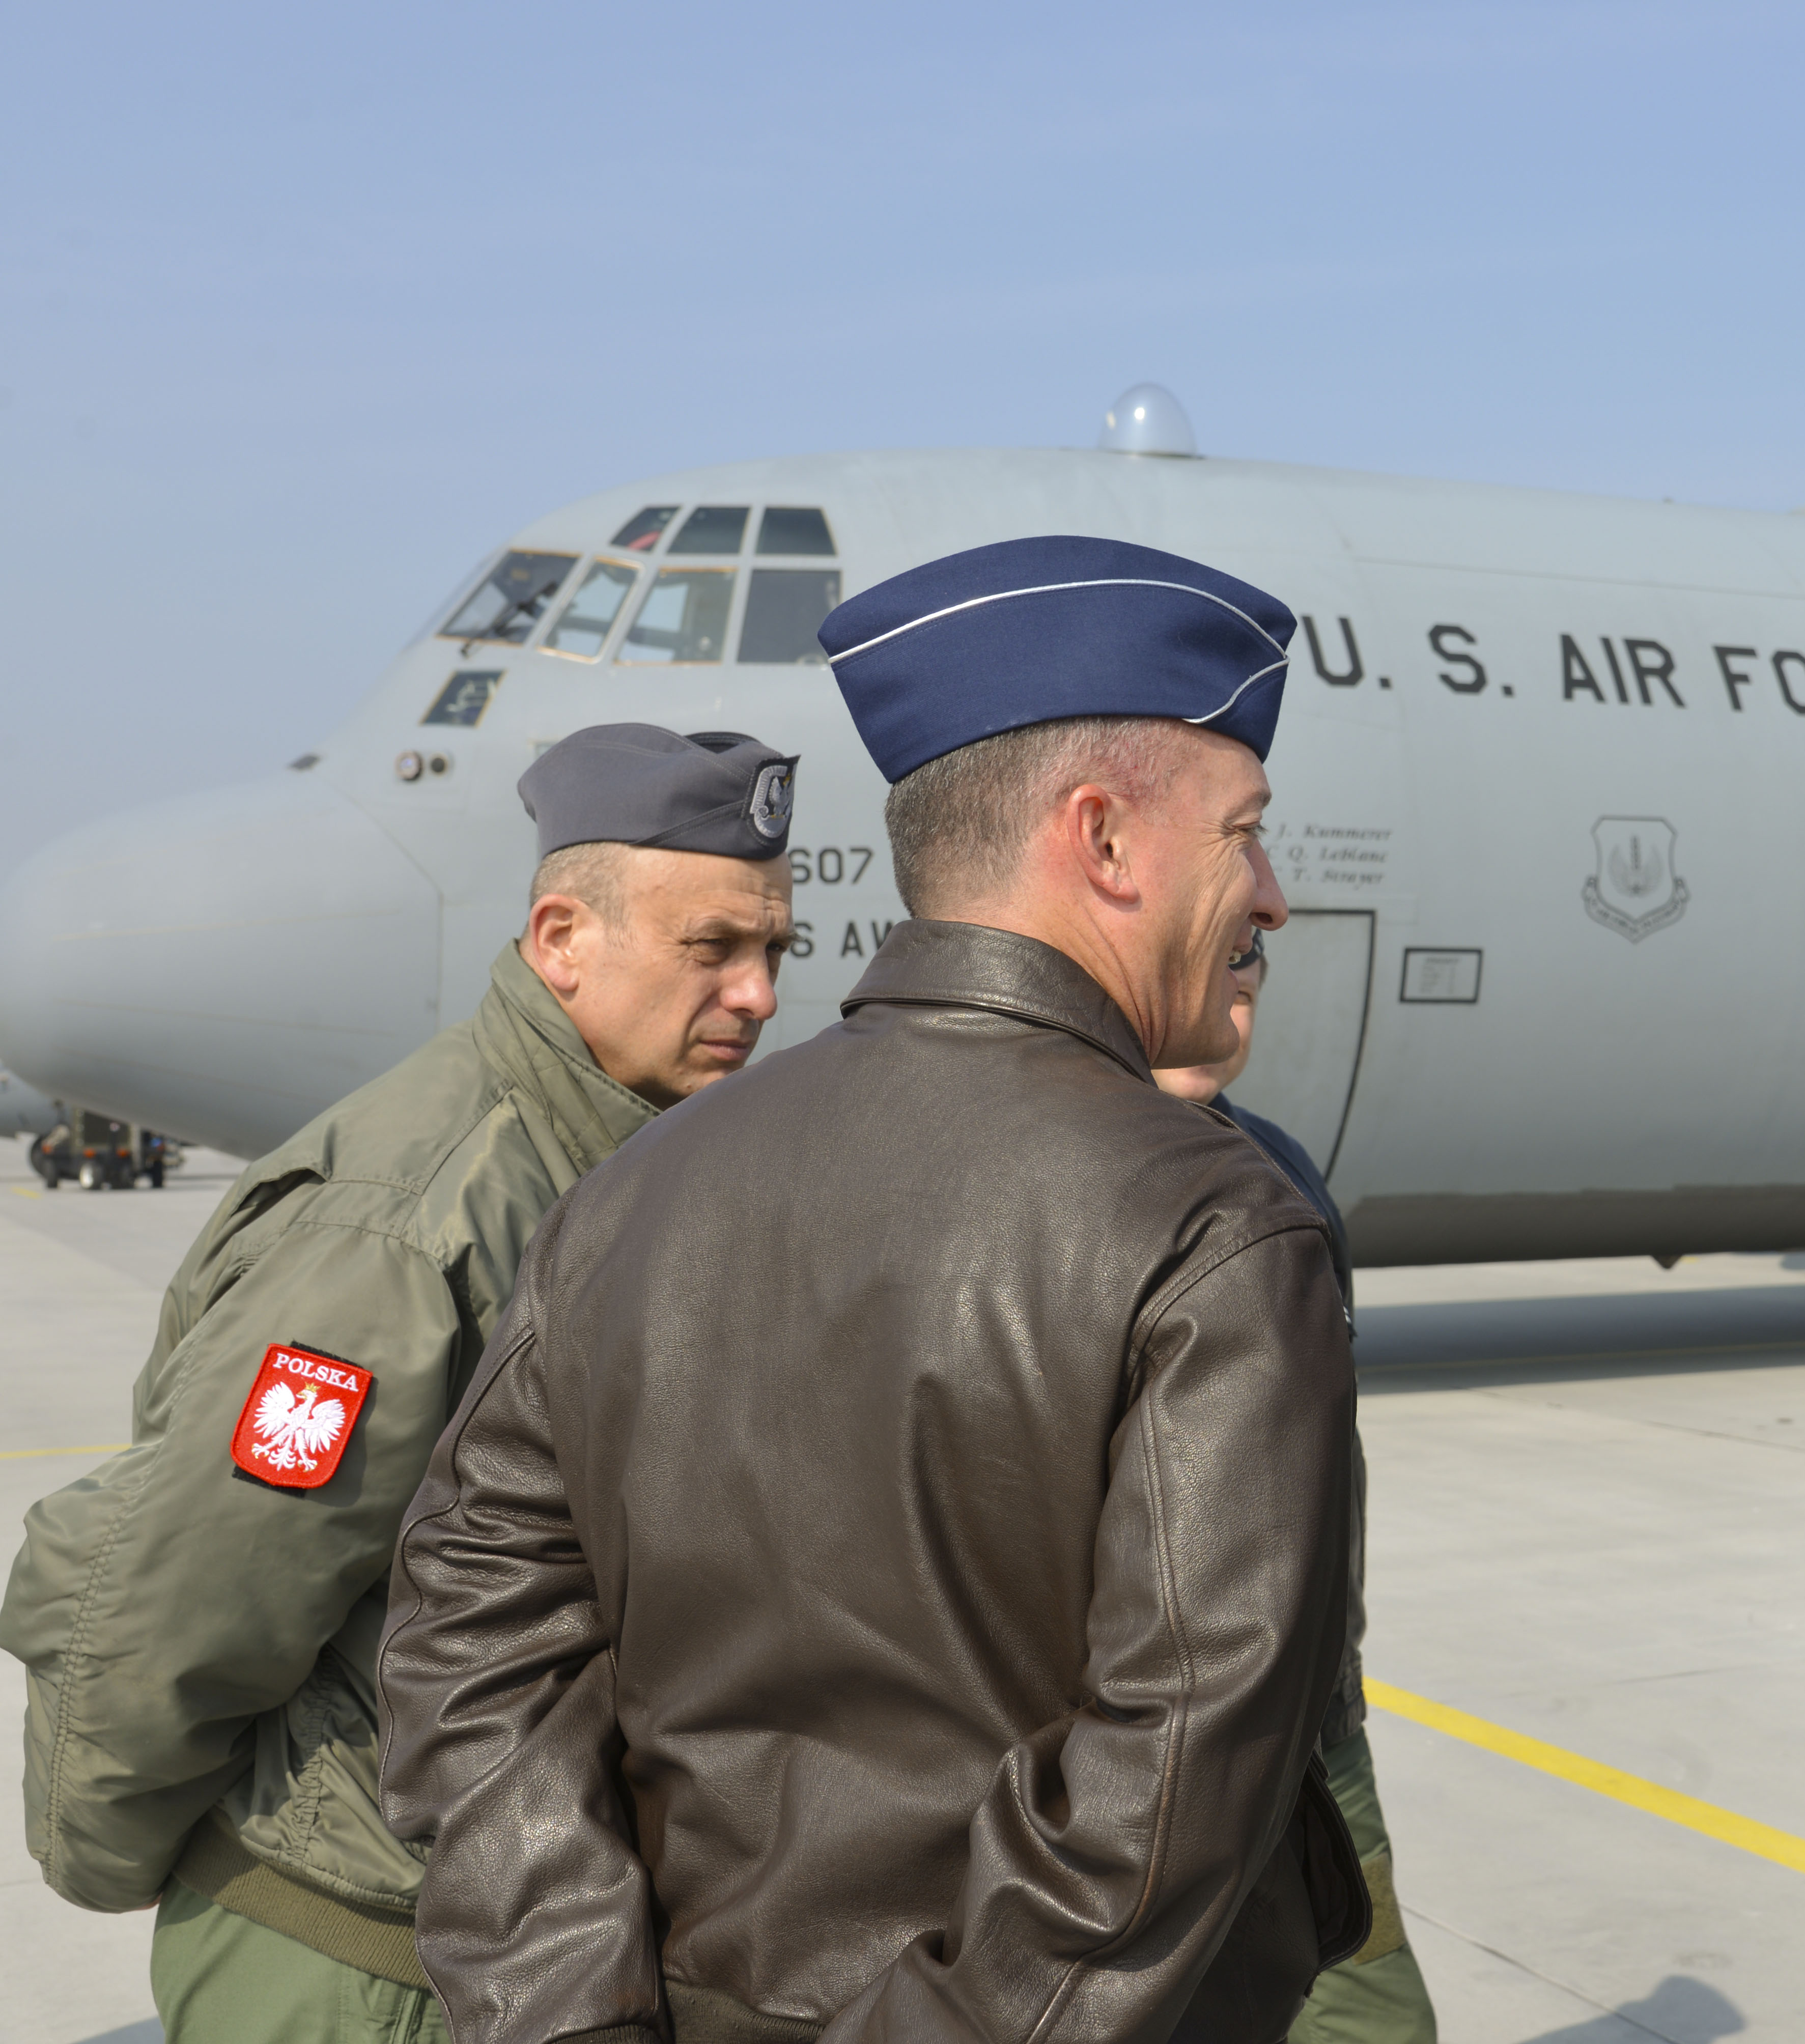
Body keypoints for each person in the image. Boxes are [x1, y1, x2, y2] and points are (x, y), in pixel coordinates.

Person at [378, 536, 1367, 2043]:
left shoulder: (630, 1192)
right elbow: (1171, 1788)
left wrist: (572, 2012)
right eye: (1245, 833)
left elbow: (467, 1642)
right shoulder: (1214, 1226)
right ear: (1104, 841)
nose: (1274, 896)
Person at [1, 723, 798, 2042]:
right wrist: (127, 1855)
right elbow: (193, 1590)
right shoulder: (415, 1225)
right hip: (357, 1958)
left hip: (517, 1942)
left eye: (774, 950)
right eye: (711, 948)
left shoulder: (627, 1166)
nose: (757, 993)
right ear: (562, 938)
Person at [1154, 937, 1441, 2044]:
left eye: (1252, 956)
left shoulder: (1280, 1168)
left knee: (1374, 2018)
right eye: (1211, 948)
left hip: (1315, 1735)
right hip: (1132, 1752)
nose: (1238, 975)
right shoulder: (1051, 1174)